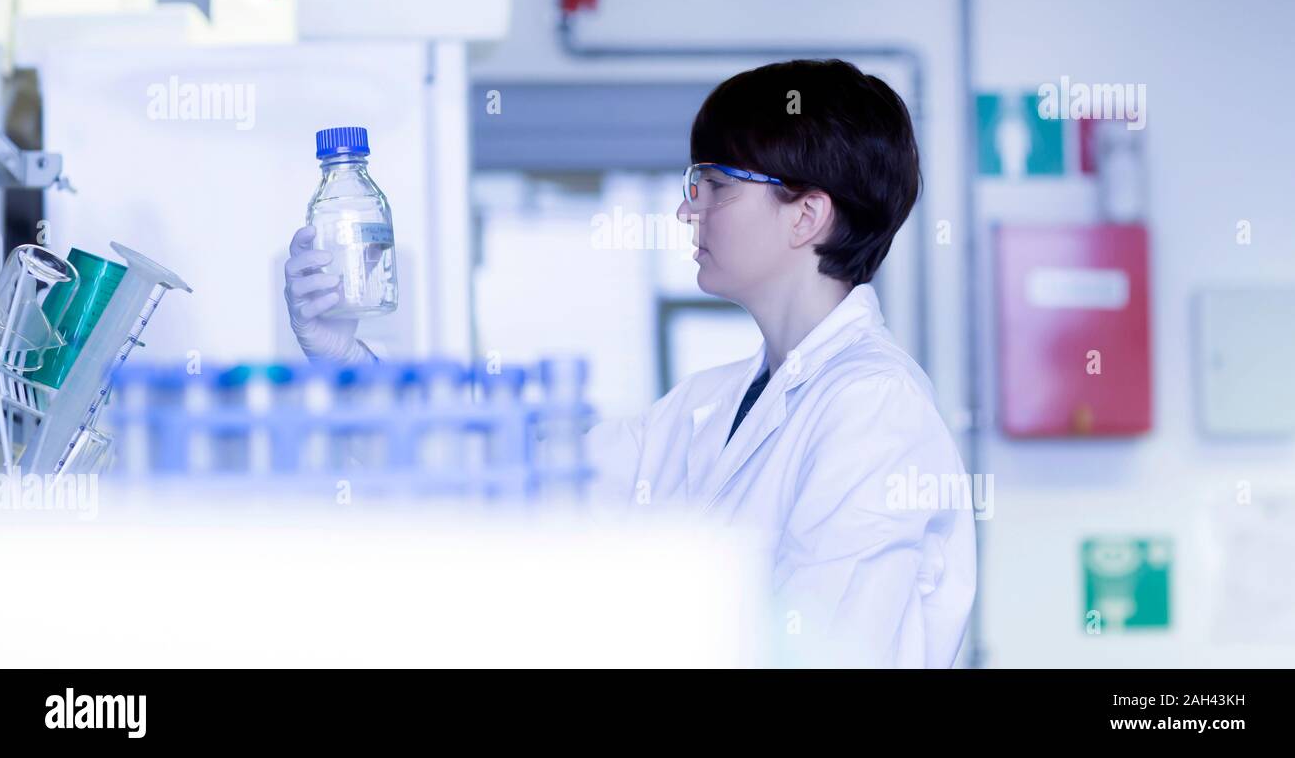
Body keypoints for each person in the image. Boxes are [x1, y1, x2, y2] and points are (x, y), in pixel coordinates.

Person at [283, 58, 976, 667]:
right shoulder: (713, 405)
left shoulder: (874, 409)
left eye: (715, 186)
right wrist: (346, 362)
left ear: (806, 216)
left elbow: (827, 650)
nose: (685, 209)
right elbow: (519, 480)